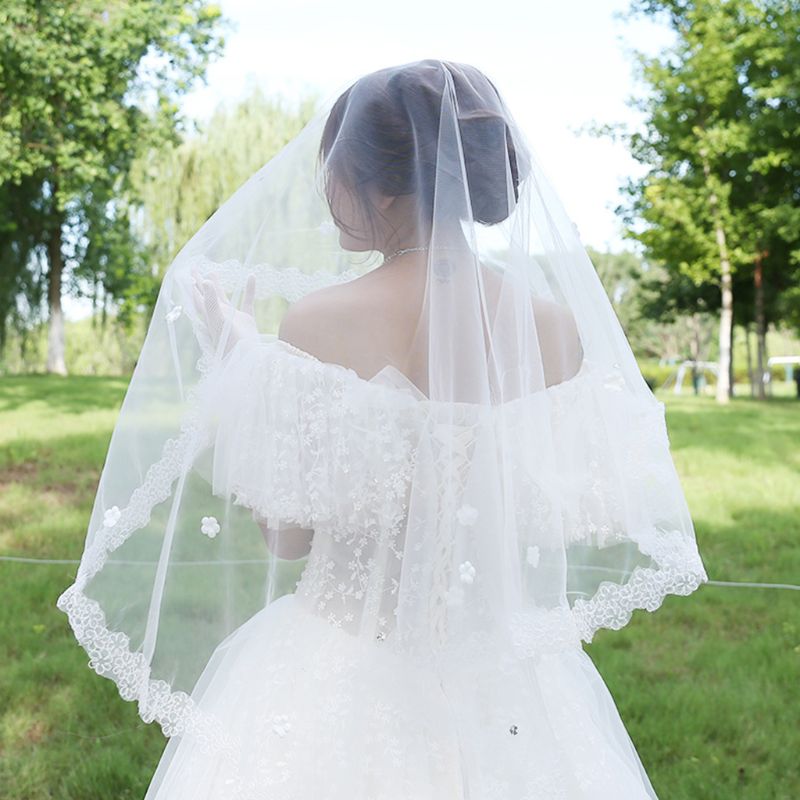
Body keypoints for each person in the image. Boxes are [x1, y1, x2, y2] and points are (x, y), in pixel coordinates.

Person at [57, 60, 708, 799]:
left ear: (385, 186)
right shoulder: (554, 331)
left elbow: (288, 537)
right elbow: (546, 520)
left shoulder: (318, 322)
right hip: (508, 684)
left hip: (338, 667)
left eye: (336, 169)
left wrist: (243, 364)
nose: (325, 189)